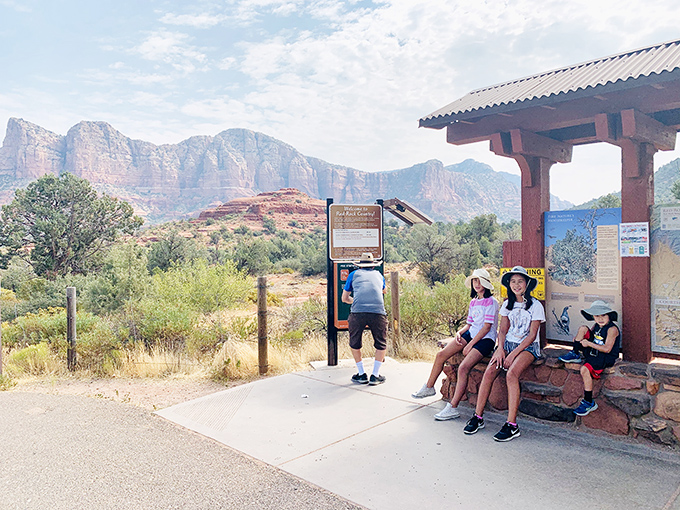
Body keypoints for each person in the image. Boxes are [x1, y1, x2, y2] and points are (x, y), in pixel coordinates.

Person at [463, 266, 545, 442]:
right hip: (507, 344)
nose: (516, 285)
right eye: (513, 281)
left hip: (527, 348)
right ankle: (478, 417)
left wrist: (513, 354)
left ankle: (512, 425)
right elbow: (502, 330)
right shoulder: (507, 304)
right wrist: (500, 349)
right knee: (490, 371)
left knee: (512, 374)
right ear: (509, 284)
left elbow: (532, 335)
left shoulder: (536, 305)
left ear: (527, 284)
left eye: (520, 281)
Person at [411, 268, 499, 421]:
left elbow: (486, 327)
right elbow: (470, 323)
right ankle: (429, 387)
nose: (477, 284)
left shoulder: (491, 302)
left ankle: (452, 407)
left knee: (464, 367)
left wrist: (471, 344)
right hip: (471, 333)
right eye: (474, 281)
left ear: (486, 283)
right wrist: (459, 332)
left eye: (480, 281)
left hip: (485, 339)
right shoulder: (474, 301)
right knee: (441, 355)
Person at [558, 300, 621, 416]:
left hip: (604, 357)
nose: (600, 319)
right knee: (582, 328)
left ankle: (588, 401)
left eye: (603, 315)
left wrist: (588, 344)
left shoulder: (612, 329)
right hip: (593, 352)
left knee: (584, 369)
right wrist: (579, 341)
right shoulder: (597, 326)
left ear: (609, 316)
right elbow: (590, 337)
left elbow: (607, 349)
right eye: (597, 316)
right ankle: (575, 353)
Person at [342, 252, 388, 386]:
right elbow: (384, 290)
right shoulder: (379, 275)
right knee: (381, 343)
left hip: (358, 313)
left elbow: (344, 298)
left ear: (360, 266)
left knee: (355, 342)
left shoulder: (353, 275)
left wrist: (355, 301)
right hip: (378, 312)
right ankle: (375, 375)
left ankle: (361, 373)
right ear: (373, 266)